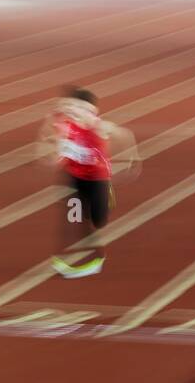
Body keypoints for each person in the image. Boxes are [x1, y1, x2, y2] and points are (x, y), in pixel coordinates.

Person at [37, 86, 140, 278]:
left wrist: (132, 160)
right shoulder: (63, 123)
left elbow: (125, 134)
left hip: (98, 180)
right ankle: (89, 259)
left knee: (98, 220)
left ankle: (89, 234)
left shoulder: (100, 127)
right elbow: (48, 135)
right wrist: (50, 151)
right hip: (74, 179)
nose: (71, 110)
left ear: (90, 111)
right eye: (69, 106)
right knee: (74, 218)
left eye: (77, 107)